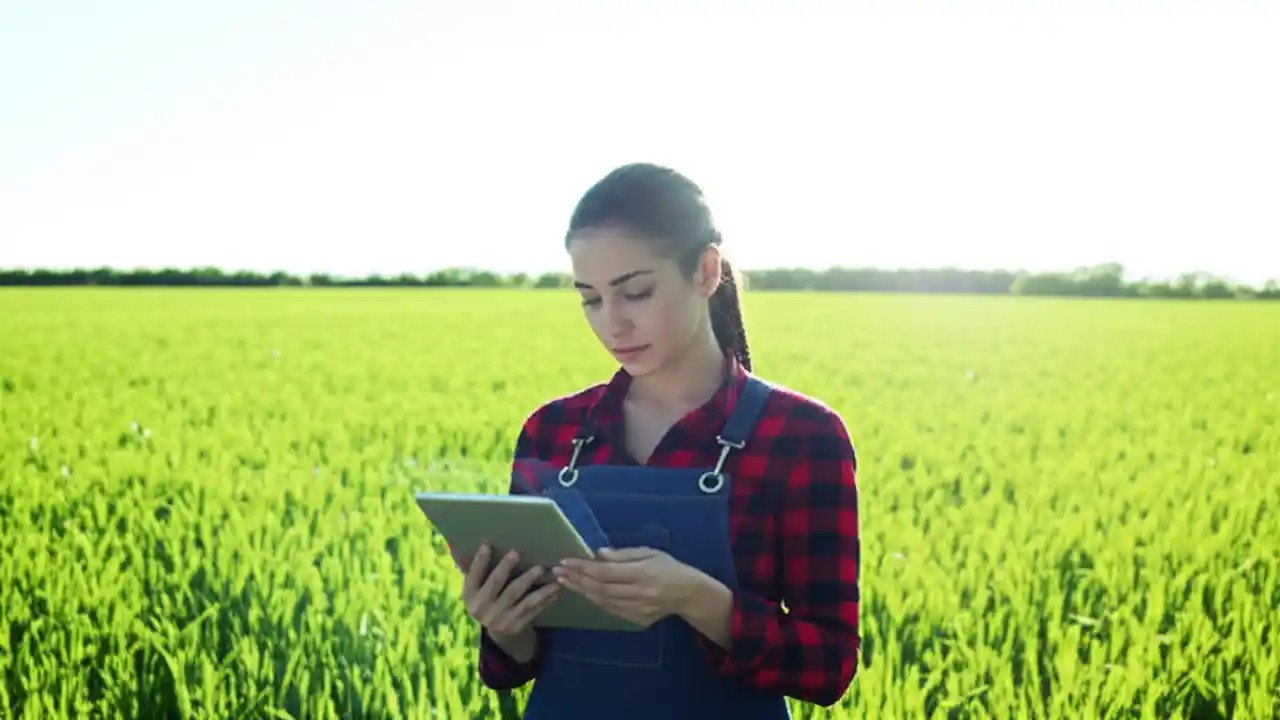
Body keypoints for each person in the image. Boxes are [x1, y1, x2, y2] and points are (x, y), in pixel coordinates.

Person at [456, 163, 860, 719]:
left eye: (636, 292)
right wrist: (503, 625)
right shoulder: (552, 432)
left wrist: (696, 599)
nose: (612, 324)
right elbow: (524, 659)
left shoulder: (800, 437)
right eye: (591, 300)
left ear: (706, 270)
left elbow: (829, 666)